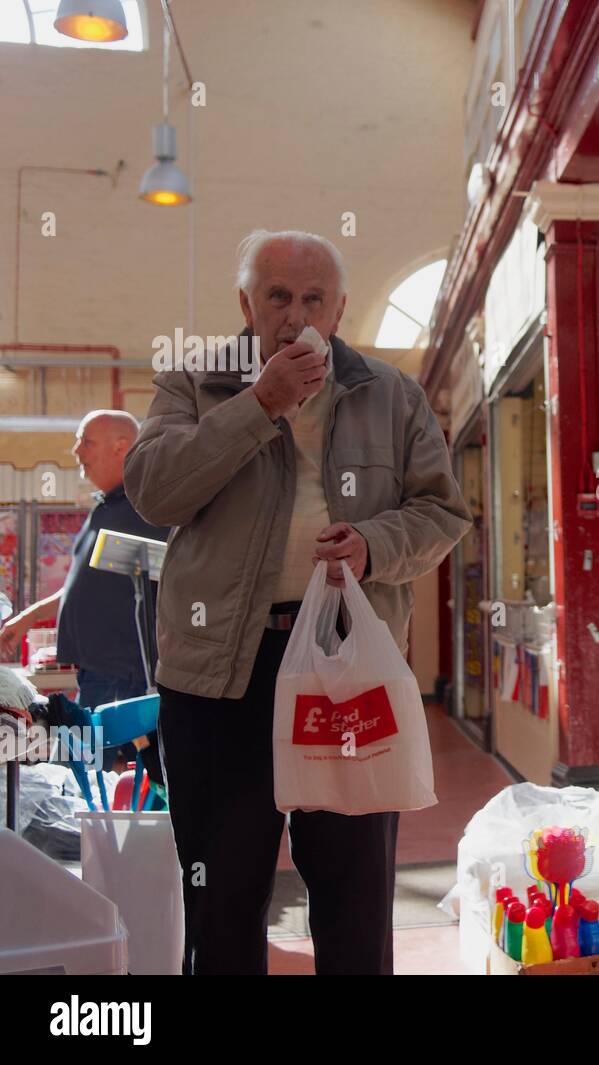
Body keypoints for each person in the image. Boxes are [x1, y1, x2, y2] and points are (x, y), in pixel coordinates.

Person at [123, 229, 471, 975]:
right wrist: (260, 404)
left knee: (355, 895)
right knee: (222, 899)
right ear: (245, 303)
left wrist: (376, 543)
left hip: (346, 671)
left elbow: (443, 514)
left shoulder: (392, 394)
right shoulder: (194, 383)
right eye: (277, 295)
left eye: (314, 297)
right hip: (220, 676)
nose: (296, 313)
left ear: (340, 308)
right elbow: (154, 492)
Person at [0, 411, 168, 779]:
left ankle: (114, 829)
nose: (76, 451)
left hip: (125, 670)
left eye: (86, 442)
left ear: (121, 447)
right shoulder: (107, 508)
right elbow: (82, 582)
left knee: (108, 764)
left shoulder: (148, 506)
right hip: (97, 668)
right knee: (92, 761)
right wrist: (27, 618)